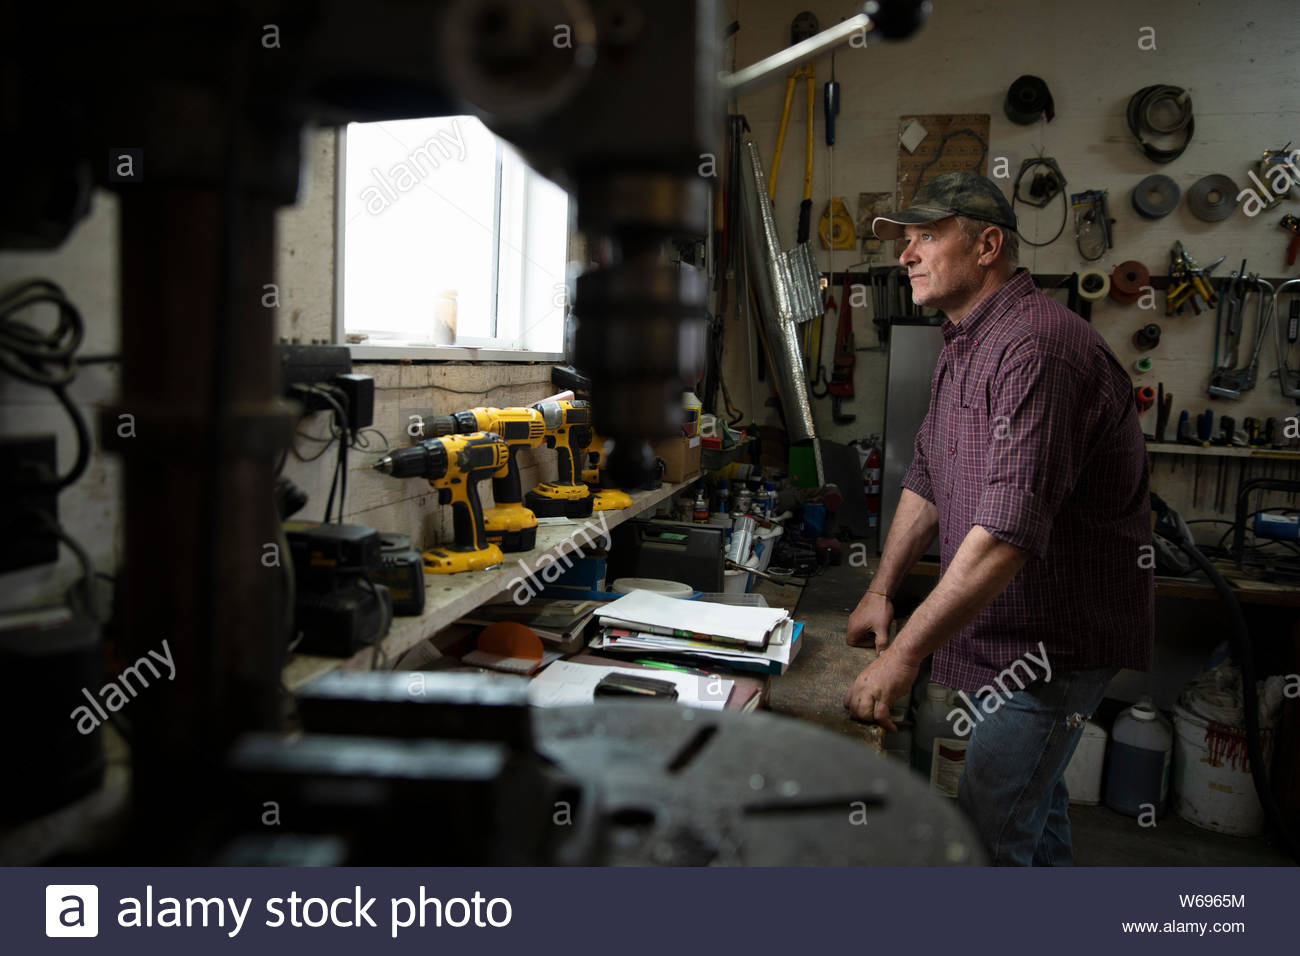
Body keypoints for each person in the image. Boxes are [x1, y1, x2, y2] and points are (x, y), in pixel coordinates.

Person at [842, 172, 1153, 866]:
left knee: (985, 837)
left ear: (987, 245)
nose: (907, 254)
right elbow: (927, 477)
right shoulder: (965, 343)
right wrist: (881, 589)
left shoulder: (1037, 348)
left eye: (926, 236)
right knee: (1031, 818)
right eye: (906, 240)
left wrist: (903, 654)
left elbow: (1007, 534)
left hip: (1052, 643)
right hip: (1008, 629)